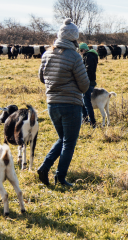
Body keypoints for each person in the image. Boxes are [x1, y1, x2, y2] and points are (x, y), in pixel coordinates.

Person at [37, 19, 90, 188]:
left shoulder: (47, 54)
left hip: (52, 104)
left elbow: (41, 78)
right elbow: (84, 85)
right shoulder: (74, 56)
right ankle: (60, 178)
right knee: (69, 142)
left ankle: (45, 168)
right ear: (74, 39)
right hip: (71, 104)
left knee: (63, 138)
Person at [80, 42, 99, 128]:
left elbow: (89, 69)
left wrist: (84, 79)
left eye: (80, 51)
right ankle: (85, 119)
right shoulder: (91, 55)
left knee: (87, 102)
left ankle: (92, 122)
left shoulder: (88, 56)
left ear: (82, 50)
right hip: (90, 81)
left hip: (88, 82)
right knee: (83, 101)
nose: (80, 53)